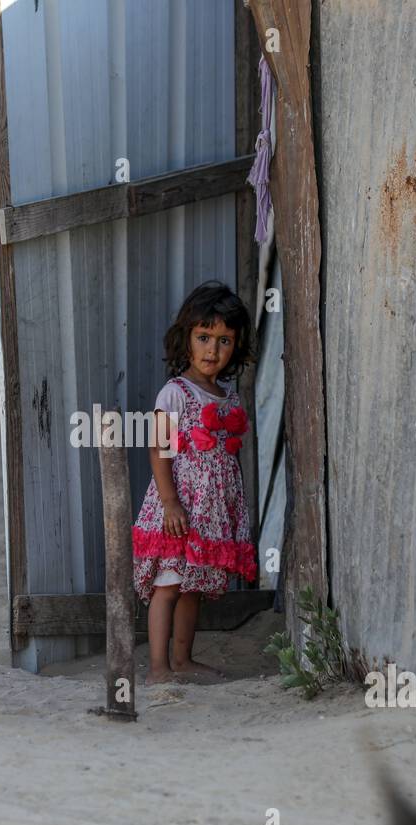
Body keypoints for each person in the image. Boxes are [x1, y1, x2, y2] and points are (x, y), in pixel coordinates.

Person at [132, 280, 257, 683]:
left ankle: (183, 661)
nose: (212, 350)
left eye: (224, 340)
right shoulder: (175, 393)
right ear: (186, 337)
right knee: (167, 584)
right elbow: (158, 449)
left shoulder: (228, 397)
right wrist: (170, 502)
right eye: (203, 337)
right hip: (178, 508)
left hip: (210, 512)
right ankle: (157, 668)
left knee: (192, 588)